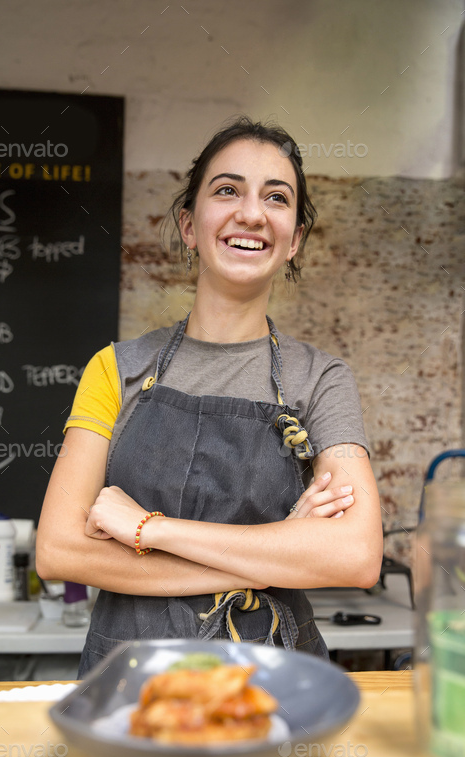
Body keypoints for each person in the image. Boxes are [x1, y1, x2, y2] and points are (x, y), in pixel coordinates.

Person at [36, 116, 383, 677]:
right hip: (130, 683)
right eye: (227, 190)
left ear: (294, 240)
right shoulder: (115, 370)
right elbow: (58, 551)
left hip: (275, 685)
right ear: (189, 224)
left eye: (277, 197)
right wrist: (281, 553)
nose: (251, 213)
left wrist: (150, 530)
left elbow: (357, 555)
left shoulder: (321, 379)